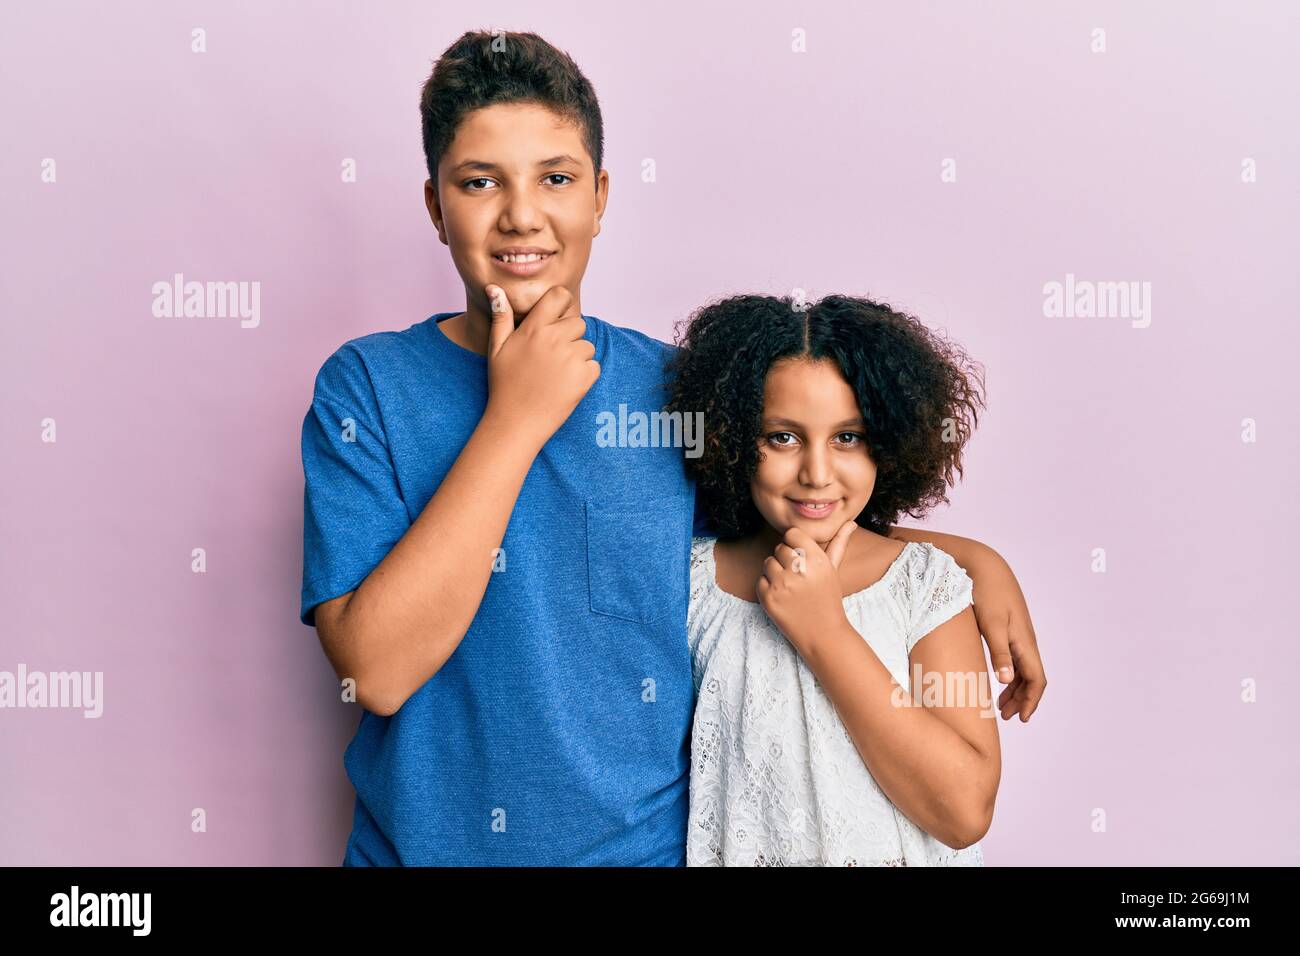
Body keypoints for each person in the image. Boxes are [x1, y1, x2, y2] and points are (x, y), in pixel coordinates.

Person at [299, 30, 1045, 866]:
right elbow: (379, 670)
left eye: (556, 177)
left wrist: (971, 560)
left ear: (601, 196)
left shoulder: (679, 393)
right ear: (436, 207)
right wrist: (516, 418)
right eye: (480, 183)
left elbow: (786, 527)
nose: (522, 214)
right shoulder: (366, 389)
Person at [666, 293, 1000, 865]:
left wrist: (826, 633)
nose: (816, 473)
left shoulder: (923, 584)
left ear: (889, 444)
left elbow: (965, 811)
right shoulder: (691, 585)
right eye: (782, 437)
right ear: (731, 438)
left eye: (848, 437)